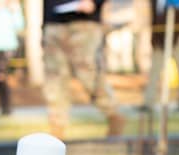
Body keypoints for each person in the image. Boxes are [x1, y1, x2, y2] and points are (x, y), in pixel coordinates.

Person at [42, 0, 126, 138]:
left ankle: (113, 115)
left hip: (84, 23)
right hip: (54, 22)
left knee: (89, 75)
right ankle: (57, 128)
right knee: (54, 79)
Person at [141, 0, 179, 112]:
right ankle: (149, 102)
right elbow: (153, 19)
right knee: (154, 72)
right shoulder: (154, 2)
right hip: (159, 41)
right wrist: (153, 40)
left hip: (176, 39)